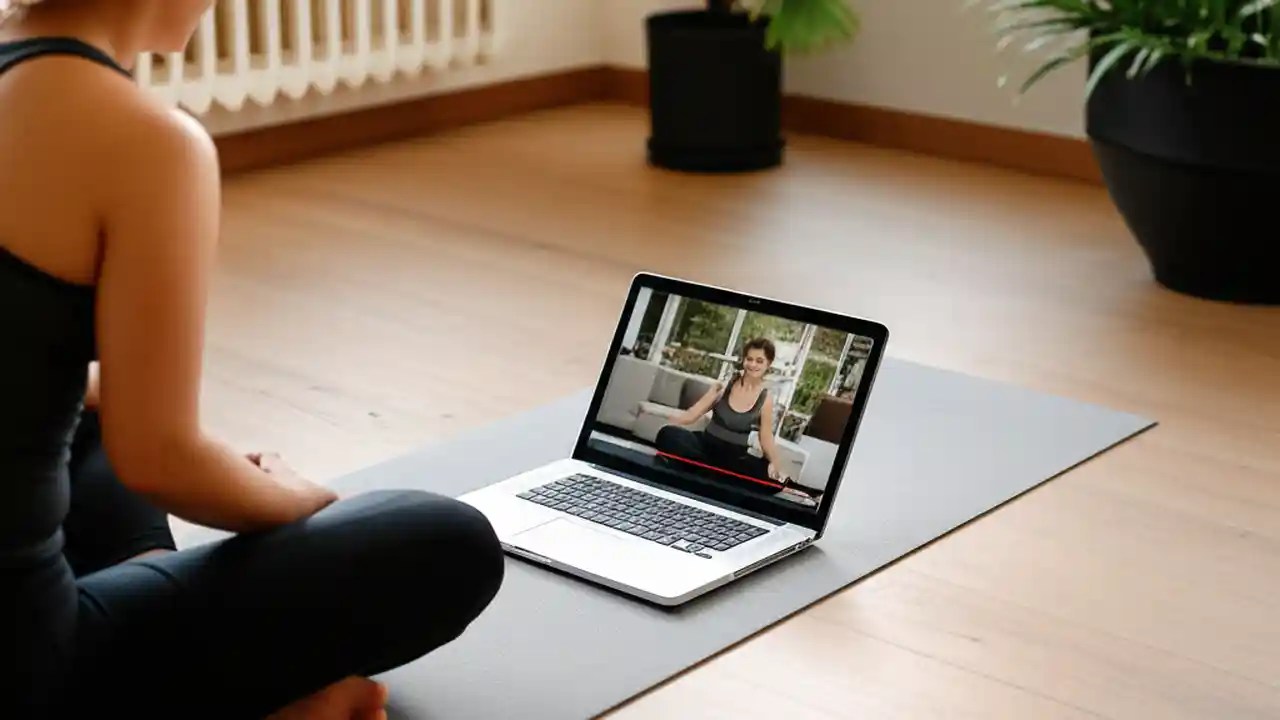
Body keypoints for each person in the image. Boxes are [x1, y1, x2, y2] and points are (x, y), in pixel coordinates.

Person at [0, 1, 504, 717]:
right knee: (447, 542)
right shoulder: (147, 142)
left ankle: (152, 595)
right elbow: (161, 459)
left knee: (93, 424)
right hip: (29, 667)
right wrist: (302, 502)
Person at [654, 338, 789, 490]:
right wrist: (673, 420)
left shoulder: (766, 398)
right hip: (705, 446)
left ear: (768, 364)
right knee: (667, 434)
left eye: (759, 361)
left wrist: (775, 464)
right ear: (743, 359)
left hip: (735, 459)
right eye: (749, 359)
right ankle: (717, 477)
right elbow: (694, 414)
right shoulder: (726, 383)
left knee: (776, 482)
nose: (752, 365)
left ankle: (701, 472)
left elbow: (765, 437)